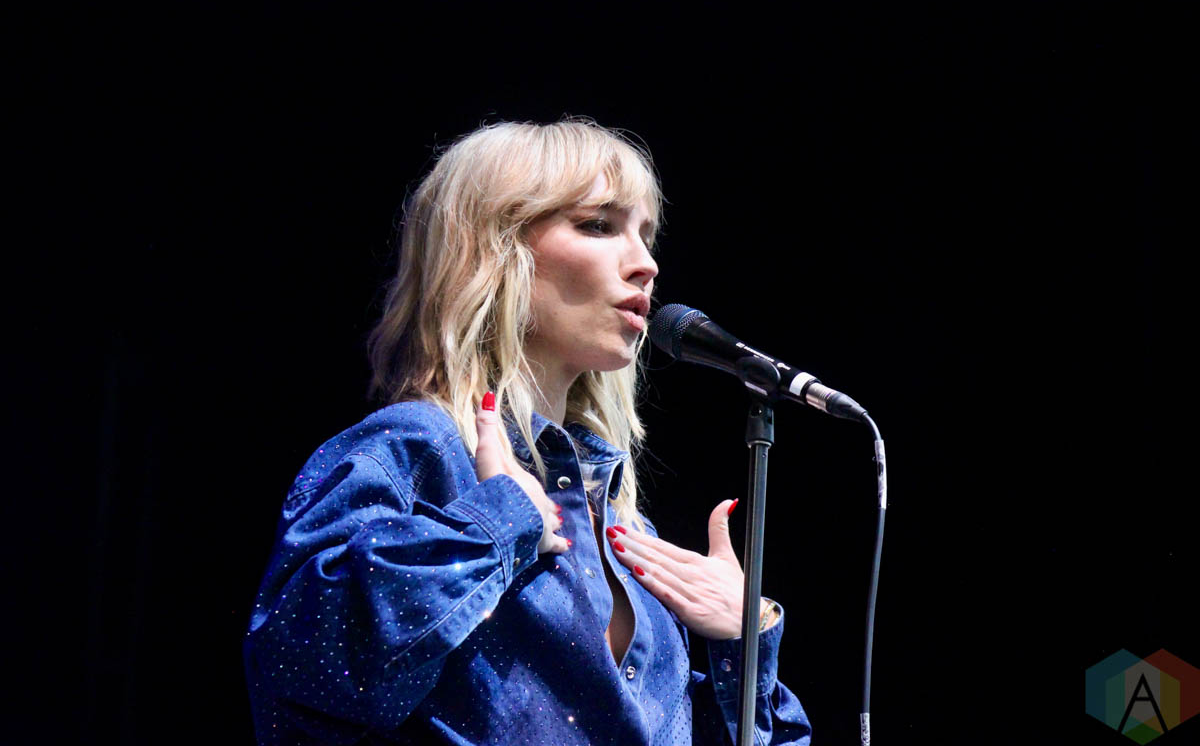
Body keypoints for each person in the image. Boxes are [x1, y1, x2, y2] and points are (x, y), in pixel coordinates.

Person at [243, 119, 812, 745]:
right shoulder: (408, 454)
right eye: (599, 225)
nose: (646, 264)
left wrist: (743, 642)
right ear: (493, 250)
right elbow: (302, 670)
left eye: (647, 236)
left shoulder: (622, 520)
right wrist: (495, 522)